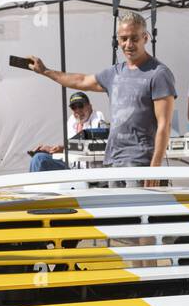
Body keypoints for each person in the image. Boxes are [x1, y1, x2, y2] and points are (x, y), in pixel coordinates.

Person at [28, 11, 175, 180]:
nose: (129, 44)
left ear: (145, 38)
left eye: (134, 38)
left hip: (141, 164)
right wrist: (45, 71)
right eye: (124, 38)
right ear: (117, 40)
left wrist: (155, 169)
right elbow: (81, 80)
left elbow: (165, 124)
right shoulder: (115, 73)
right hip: (112, 162)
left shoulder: (159, 74)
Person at [28, 91, 108, 172]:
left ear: (89, 106)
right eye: (74, 107)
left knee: (39, 159)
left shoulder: (97, 117)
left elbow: (96, 146)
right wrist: (52, 150)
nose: (77, 110)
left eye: (80, 106)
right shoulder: (72, 120)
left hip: (88, 169)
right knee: (39, 157)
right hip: (72, 165)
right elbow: (72, 145)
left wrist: (63, 149)